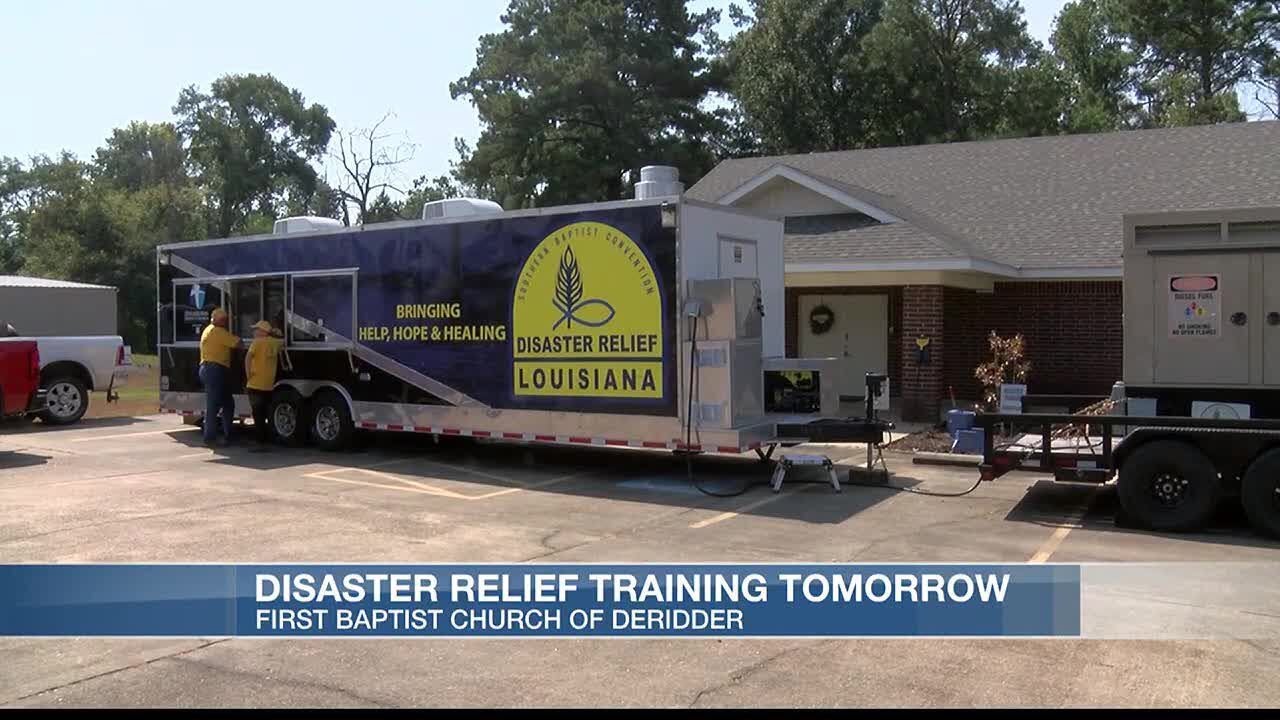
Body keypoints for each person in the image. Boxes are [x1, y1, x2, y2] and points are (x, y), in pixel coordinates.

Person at [198, 307, 240, 447]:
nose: (225, 322)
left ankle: (228, 435)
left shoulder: (208, 329)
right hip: (215, 370)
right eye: (224, 320)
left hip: (208, 369)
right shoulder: (219, 332)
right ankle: (210, 438)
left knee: (226, 402)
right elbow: (237, 343)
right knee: (214, 405)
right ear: (220, 320)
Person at [244, 320, 281, 445]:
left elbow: (248, 358)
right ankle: (267, 438)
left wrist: (248, 375)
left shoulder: (257, 342)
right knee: (266, 413)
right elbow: (283, 341)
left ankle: (259, 441)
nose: (254, 332)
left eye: (256, 329)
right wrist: (276, 333)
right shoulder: (275, 343)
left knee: (257, 414)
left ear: (262, 331)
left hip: (254, 383)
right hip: (268, 384)